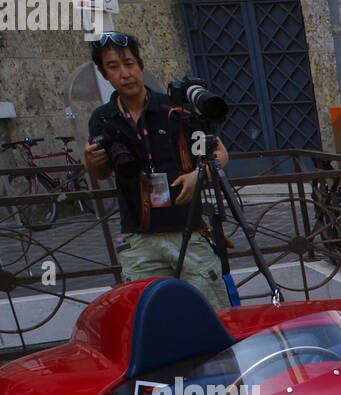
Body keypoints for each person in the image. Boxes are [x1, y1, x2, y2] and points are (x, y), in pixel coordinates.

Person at [85, 32, 231, 311]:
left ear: (141, 65)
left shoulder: (173, 109)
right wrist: (91, 160)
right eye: (113, 67)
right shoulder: (103, 118)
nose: (124, 73)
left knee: (212, 312)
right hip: (140, 239)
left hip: (188, 230)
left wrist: (197, 176)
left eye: (129, 63)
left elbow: (220, 154)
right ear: (105, 75)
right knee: (152, 318)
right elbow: (100, 174)